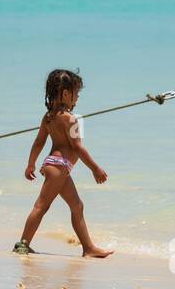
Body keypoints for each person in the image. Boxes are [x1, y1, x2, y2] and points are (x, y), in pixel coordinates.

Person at [15, 69, 112, 258]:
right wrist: (95, 169)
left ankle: (88, 248)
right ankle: (22, 244)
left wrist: (31, 164)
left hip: (54, 166)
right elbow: (78, 148)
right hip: (60, 167)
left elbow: (39, 142)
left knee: (77, 206)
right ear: (66, 94)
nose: (76, 99)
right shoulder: (71, 119)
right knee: (41, 206)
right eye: (76, 95)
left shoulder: (48, 117)